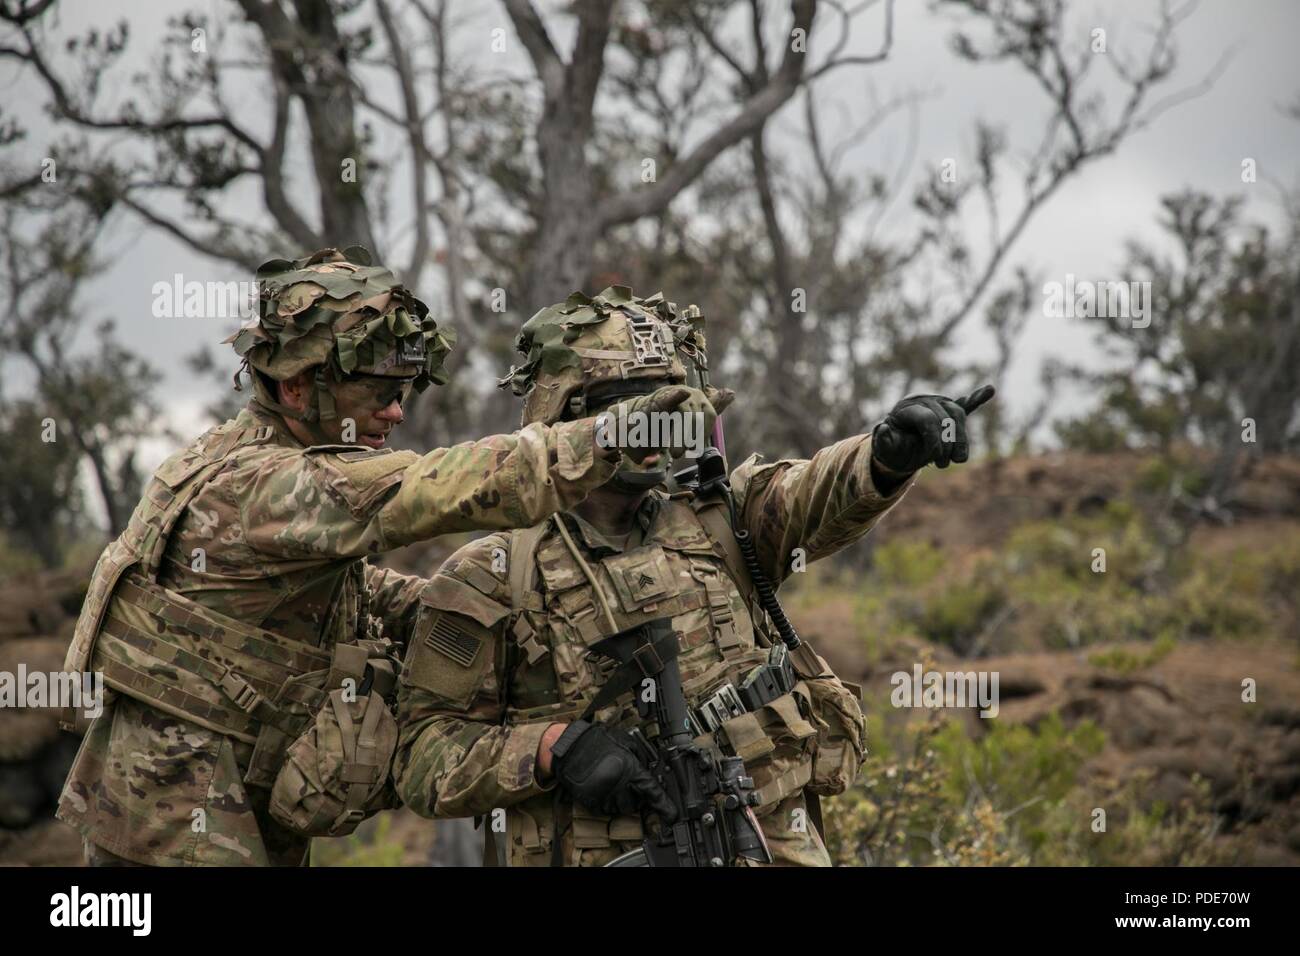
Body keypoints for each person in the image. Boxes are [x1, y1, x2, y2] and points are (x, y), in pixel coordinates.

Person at [57, 251, 694, 866]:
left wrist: (487, 608)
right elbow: (441, 488)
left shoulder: (236, 456)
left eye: (406, 389)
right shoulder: (266, 486)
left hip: (193, 798)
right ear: (300, 384)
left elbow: (345, 594)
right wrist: (615, 433)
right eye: (379, 391)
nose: (396, 411)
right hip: (181, 817)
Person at [394, 286, 993, 865]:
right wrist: (550, 749)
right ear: (569, 415)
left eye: (672, 408)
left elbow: (815, 491)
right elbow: (422, 759)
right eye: (633, 410)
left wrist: (887, 454)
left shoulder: (723, 518)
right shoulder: (492, 575)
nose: (658, 430)